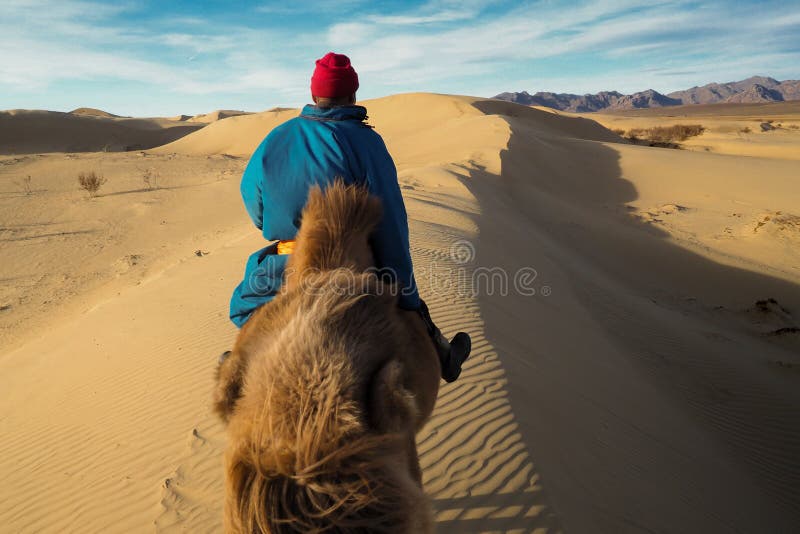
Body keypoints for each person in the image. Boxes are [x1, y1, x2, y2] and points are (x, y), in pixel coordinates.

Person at [227, 52, 470, 382]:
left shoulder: (276, 139)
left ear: (313, 94)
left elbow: (252, 198)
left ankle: (234, 371)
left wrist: (282, 227)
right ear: (353, 94)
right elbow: (390, 222)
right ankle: (445, 358)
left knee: (248, 310)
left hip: (286, 263)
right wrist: (407, 295)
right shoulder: (366, 142)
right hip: (349, 266)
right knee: (411, 319)